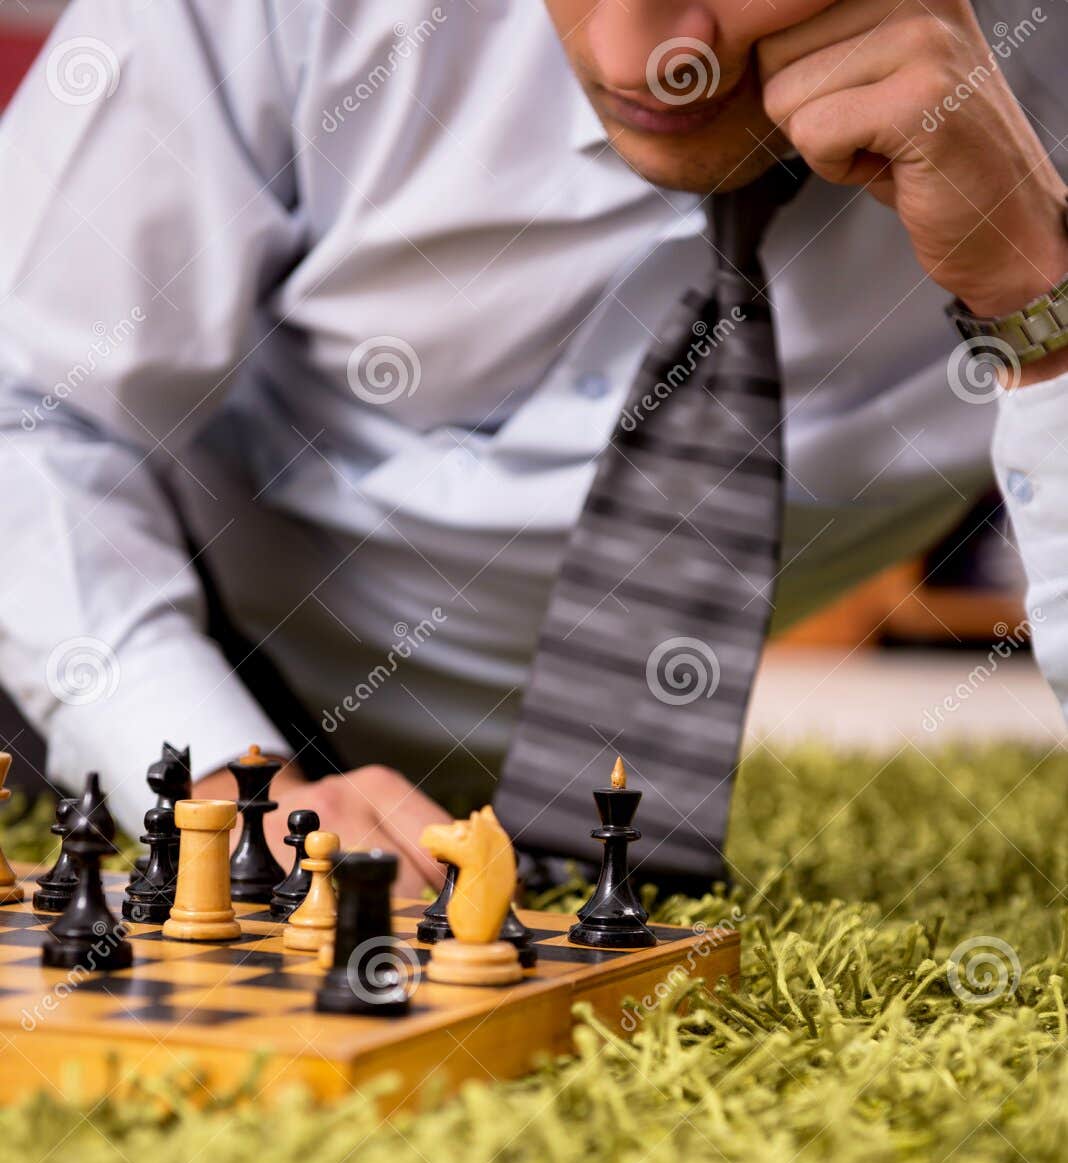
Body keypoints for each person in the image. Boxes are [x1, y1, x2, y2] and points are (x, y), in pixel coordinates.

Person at [0, 0, 1066, 894]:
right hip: (130, 650)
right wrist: (225, 788)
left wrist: (1038, 294)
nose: (630, 58)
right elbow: (30, 404)